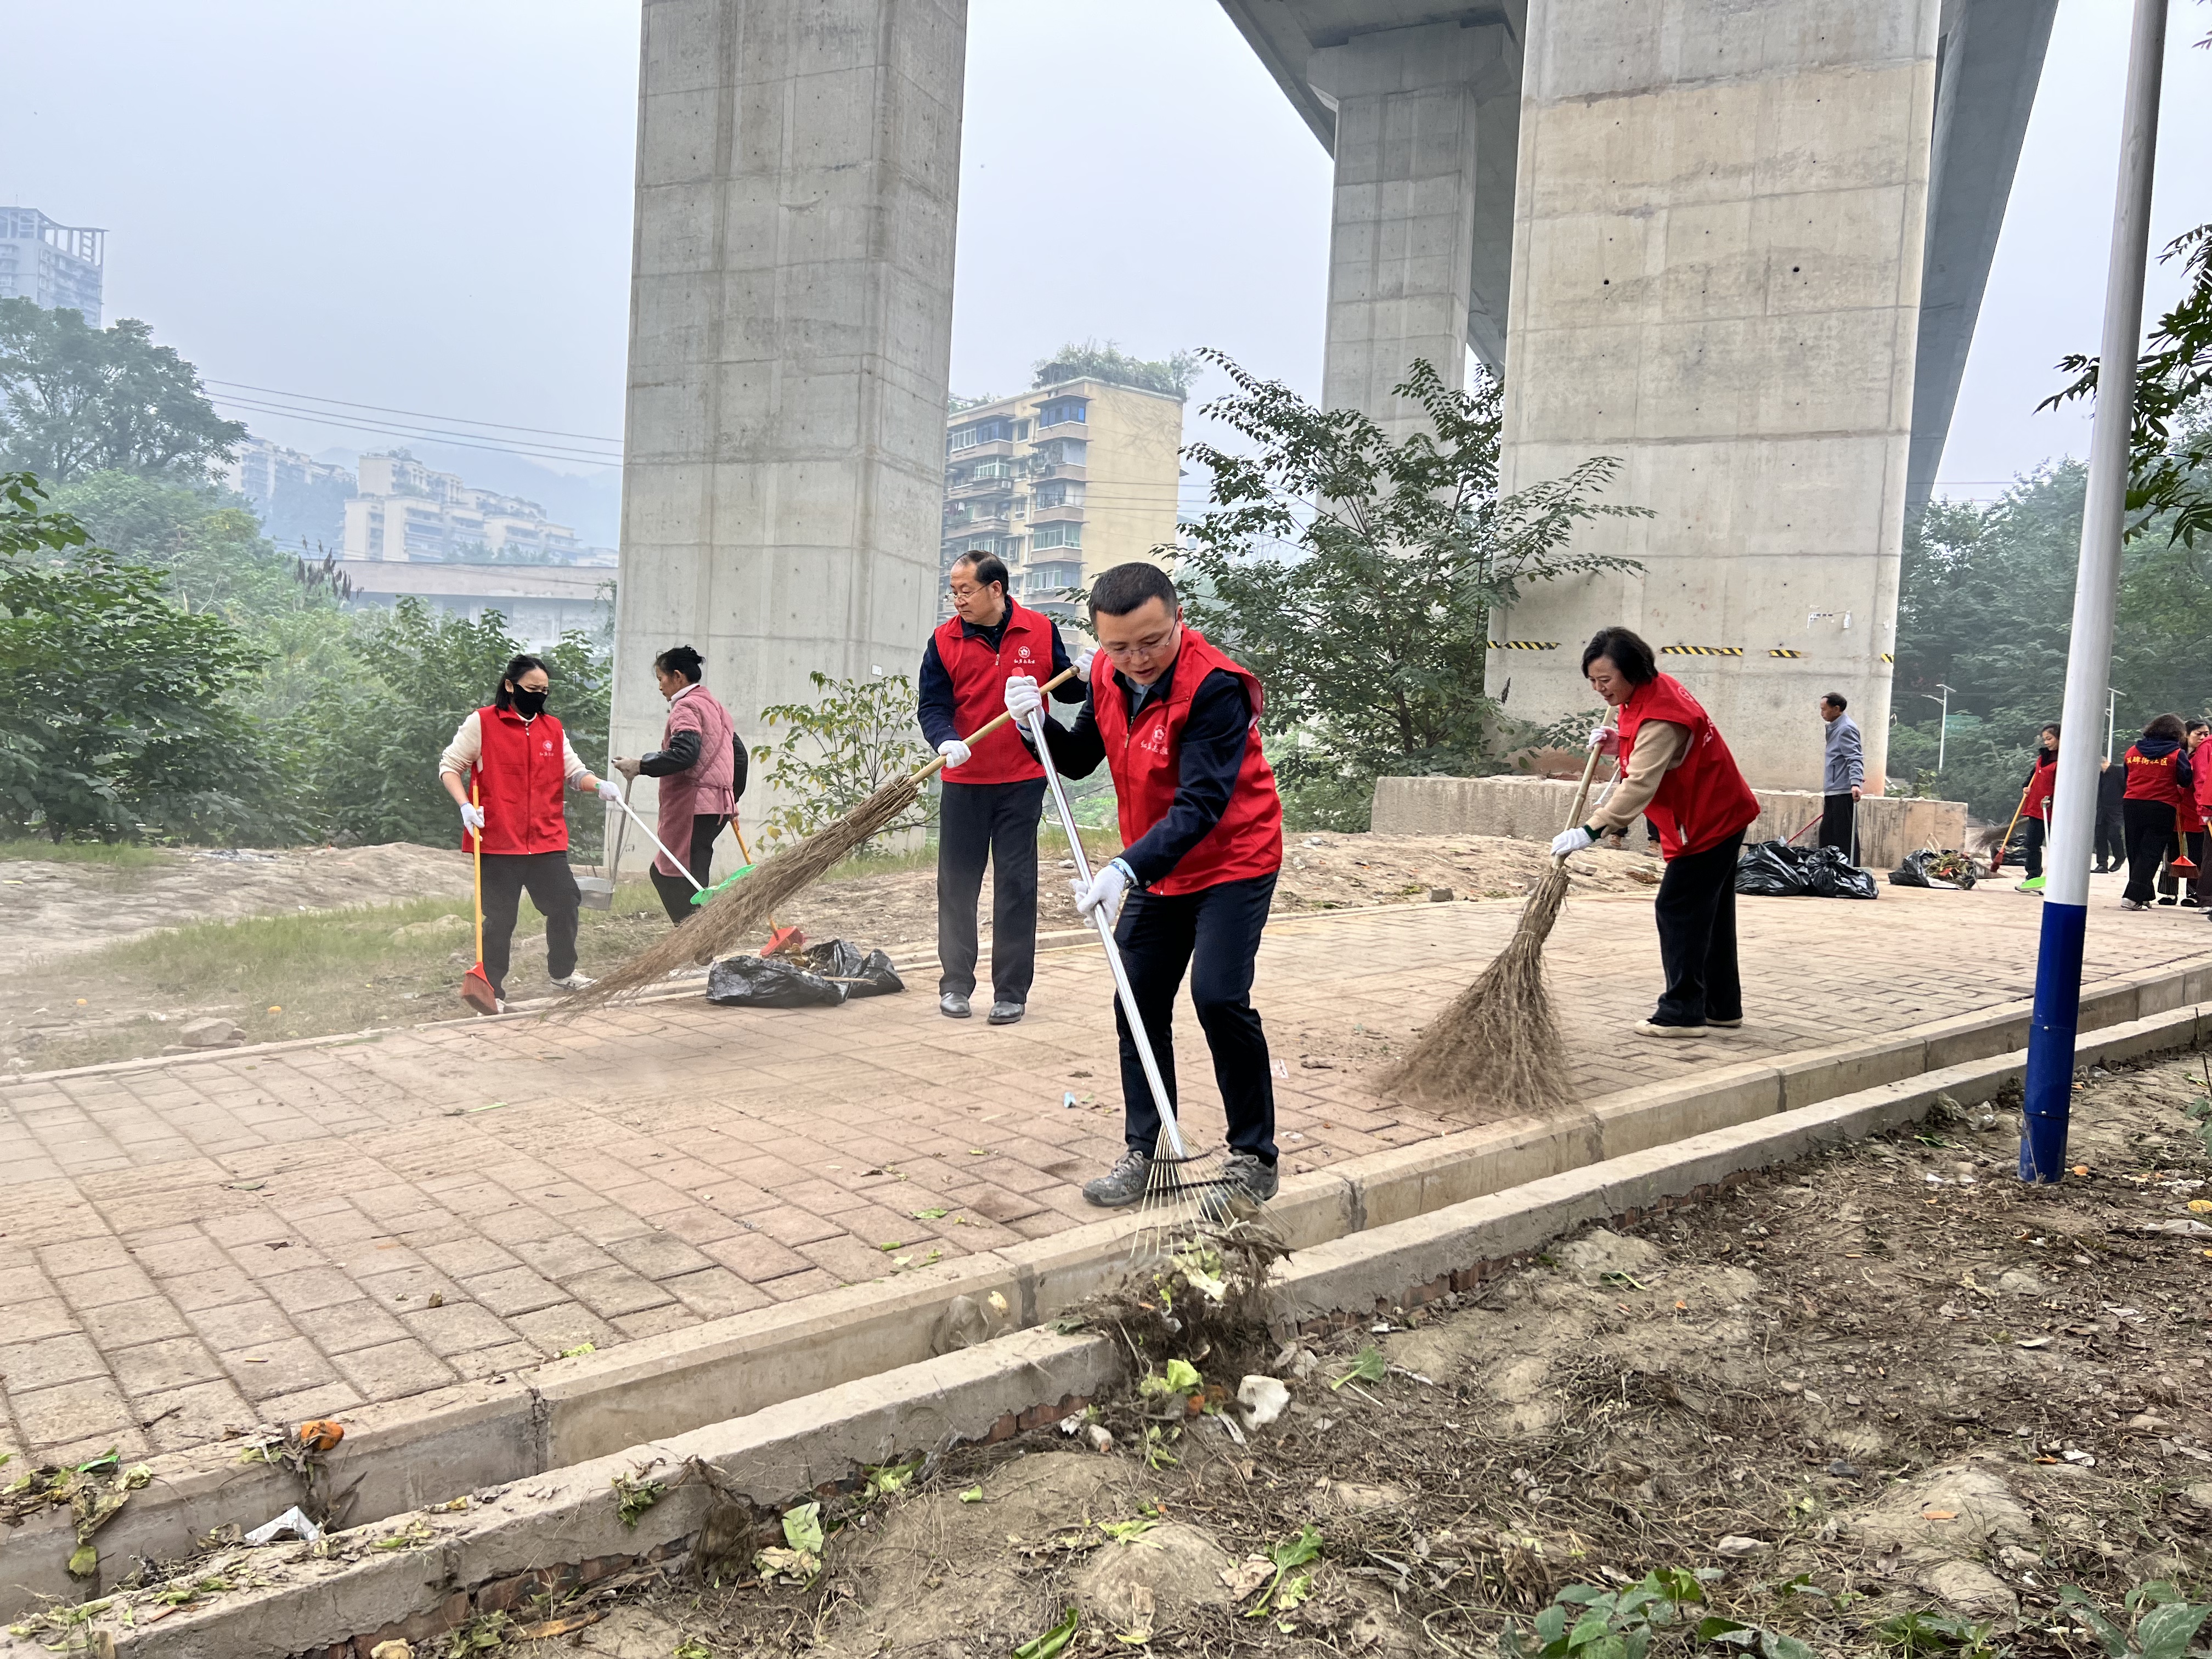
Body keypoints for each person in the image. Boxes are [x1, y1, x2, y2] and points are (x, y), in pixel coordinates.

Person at [1003, 561, 1285, 1209]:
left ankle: (1254, 1159)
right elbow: (1075, 761)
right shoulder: (1106, 674)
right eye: (1120, 647)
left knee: (1218, 998)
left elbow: (1202, 804)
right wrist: (1033, 723)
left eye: (1152, 641)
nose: (1139, 659)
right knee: (1137, 1003)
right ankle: (1146, 1150)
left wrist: (1123, 869)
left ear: (1177, 620)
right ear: (1100, 643)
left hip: (1233, 859)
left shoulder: (1216, 688)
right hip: (1160, 869)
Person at [1553, 627, 1762, 1037]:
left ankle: (1683, 1012)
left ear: (1633, 671)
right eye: (1593, 681)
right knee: (1712, 915)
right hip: (1719, 810)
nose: (1599, 689)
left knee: (1678, 909)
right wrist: (1618, 740)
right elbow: (1652, 748)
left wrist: (1592, 830)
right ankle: (1722, 1007)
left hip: (1708, 821)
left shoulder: (1663, 714)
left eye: (1606, 680)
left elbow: (1641, 783)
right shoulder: (1648, 691)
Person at [916, 552, 1086, 1024]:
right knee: (957, 885)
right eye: (953, 591)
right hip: (965, 779)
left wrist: (1091, 676)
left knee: (1015, 885)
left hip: (1024, 778)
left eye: (965, 590)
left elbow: (1066, 687)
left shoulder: (1038, 629)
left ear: (997, 589)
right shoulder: (944, 640)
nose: (957, 600)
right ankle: (955, 985)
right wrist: (945, 739)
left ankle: (1011, 991)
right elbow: (932, 706)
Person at [438, 654, 622, 1005]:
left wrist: (598, 785)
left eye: (544, 690)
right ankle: (492, 990)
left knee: (566, 901)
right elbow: (450, 767)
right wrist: (464, 805)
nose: (538, 696)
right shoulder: (483, 723)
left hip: (545, 839)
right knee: (500, 919)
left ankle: (563, 973)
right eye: (531, 689)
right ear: (510, 686)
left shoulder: (552, 728)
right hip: (497, 840)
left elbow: (574, 773)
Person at [613, 644, 744, 925]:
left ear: (677, 677)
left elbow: (685, 754)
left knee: (669, 875)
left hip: (693, 808)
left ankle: (694, 943)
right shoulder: (717, 707)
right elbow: (740, 757)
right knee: (695, 879)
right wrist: (732, 799)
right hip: (717, 809)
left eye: (661, 679)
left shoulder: (686, 707)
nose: (660, 687)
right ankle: (702, 946)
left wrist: (641, 766)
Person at [2119, 713, 2193, 911]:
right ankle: (2132, 897)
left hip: (2132, 803)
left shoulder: (2132, 751)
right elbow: (2186, 779)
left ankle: (2143, 895)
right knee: (2151, 853)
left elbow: (2127, 777)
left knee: (2135, 850)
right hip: (2162, 806)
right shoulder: (2177, 754)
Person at [2159, 719, 2211, 908]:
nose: (2203, 738)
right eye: (2199, 734)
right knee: (2172, 851)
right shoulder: (2175, 753)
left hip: (2194, 808)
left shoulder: (2205, 755)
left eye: (2206, 734)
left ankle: (2193, 892)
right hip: (2174, 807)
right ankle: (2169, 892)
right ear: (2186, 735)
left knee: (2197, 852)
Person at [2015, 724, 2059, 895]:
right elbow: (2034, 775)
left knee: (2056, 846)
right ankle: (2033, 878)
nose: (2047, 742)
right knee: (2032, 843)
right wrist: (2026, 786)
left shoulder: (2065, 760)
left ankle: (2055, 881)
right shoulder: (2043, 757)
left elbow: (2064, 785)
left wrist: (2053, 800)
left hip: (2054, 810)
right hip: (2036, 808)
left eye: (2050, 739)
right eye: (2045, 739)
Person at [1818, 692, 1863, 857]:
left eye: (1825, 709)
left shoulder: (1846, 729)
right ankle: (1829, 872)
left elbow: (1855, 757)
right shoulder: (1835, 727)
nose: (1822, 713)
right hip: (1833, 790)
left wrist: (1856, 783)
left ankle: (1851, 873)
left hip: (1842, 791)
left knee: (1844, 837)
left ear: (1836, 709)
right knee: (1827, 836)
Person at [2094, 752, 2126, 873]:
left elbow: (2127, 787)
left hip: (2116, 810)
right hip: (2101, 809)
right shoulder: (2099, 775)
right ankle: (2102, 864)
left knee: (2113, 834)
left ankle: (2120, 858)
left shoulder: (2118, 771)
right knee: (2099, 836)